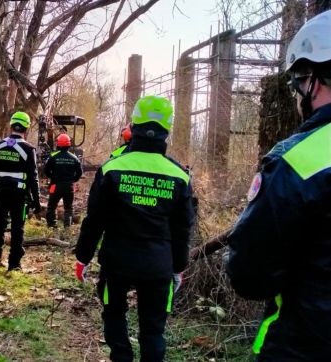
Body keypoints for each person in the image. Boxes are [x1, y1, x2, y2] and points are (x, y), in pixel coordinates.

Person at [225, 10, 331, 360]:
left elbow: (248, 273)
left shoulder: (300, 160)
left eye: (298, 82)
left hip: (304, 345)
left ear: (313, 79)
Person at [74, 95, 195, 362]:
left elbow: (94, 221)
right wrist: (178, 267)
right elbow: (183, 229)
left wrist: (82, 257)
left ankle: (121, 357)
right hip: (158, 265)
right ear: (168, 129)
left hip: (117, 262)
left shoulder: (111, 168)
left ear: (134, 124)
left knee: (114, 313)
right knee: (153, 330)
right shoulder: (180, 176)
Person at [0, 111, 41, 270]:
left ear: (11, 126)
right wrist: (36, 201)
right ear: (26, 128)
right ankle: (14, 264)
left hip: (1, 193)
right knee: (18, 228)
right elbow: (33, 177)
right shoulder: (28, 149)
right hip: (19, 196)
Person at [43, 133, 82, 228]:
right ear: (69, 144)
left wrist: (52, 177)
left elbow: (46, 170)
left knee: (51, 207)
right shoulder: (74, 158)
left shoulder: (53, 156)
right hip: (69, 186)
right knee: (68, 208)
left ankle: (52, 227)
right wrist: (73, 180)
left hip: (55, 185)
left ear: (58, 144)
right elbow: (80, 173)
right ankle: (67, 228)